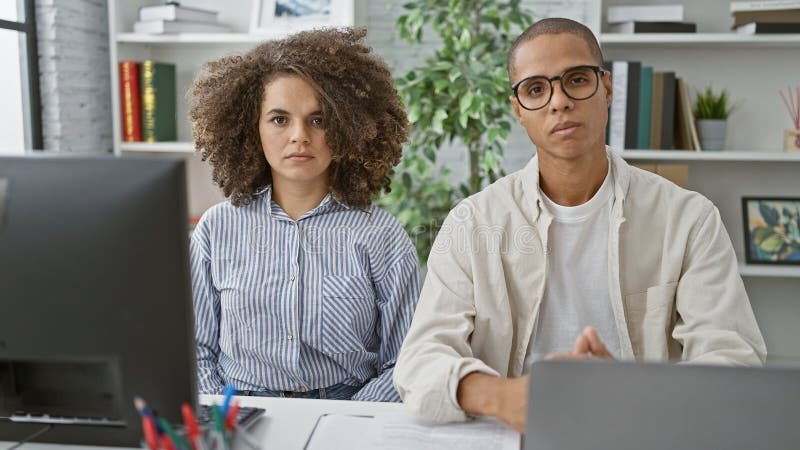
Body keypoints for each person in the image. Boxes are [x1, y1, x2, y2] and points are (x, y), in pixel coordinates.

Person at [393, 18, 766, 430]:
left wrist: (632, 390)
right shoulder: (472, 223)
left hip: (639, 430)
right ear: (518, 110)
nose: (559, 102)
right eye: (536, 89)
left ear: (606, 89)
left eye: (576, 80)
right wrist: (505, 396)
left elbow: (735, 361)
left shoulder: (690, 218)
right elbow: (419, 364)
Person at [188, 28, 420, 402]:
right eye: (280, 119)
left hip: (349, 408)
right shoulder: (216, 229)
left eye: (318, 119)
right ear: (252, 129)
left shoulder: (381, 234)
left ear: (346, 127)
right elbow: (194, 351)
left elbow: (407, 359)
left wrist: (352, 419)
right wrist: (225, 415)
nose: (300, 136)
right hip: (241, 408)